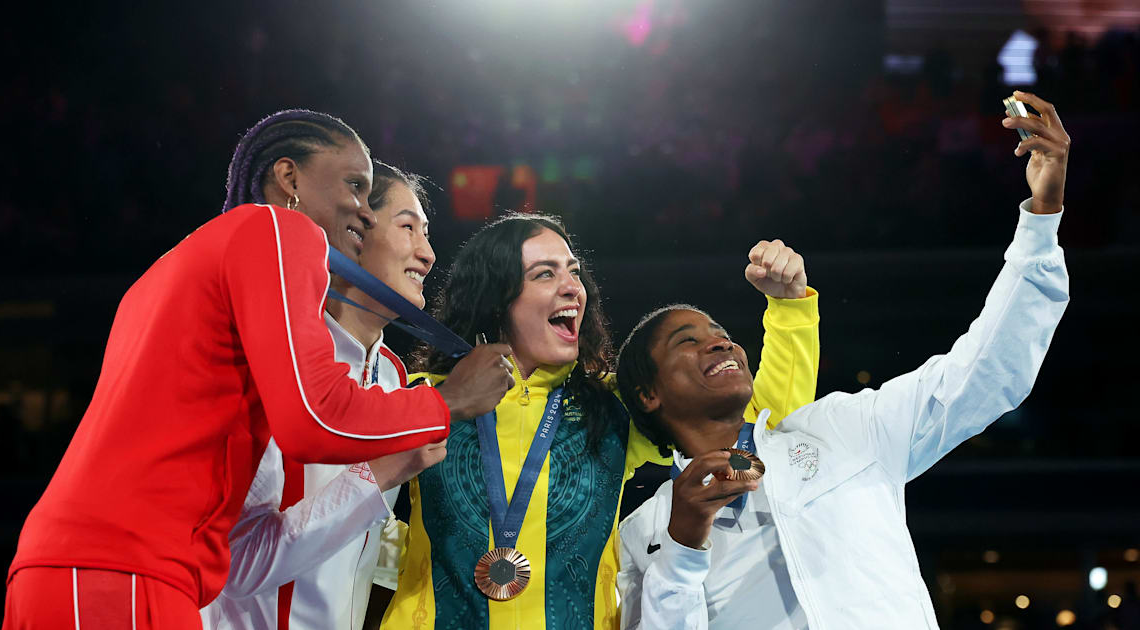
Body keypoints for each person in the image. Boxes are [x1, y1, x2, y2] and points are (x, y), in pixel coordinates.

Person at [3, 111, 513, 630]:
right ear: (289, 179)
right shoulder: (278, 229)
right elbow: (314, 417)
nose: (362, 211)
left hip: (92, 567)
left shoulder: (182, 266)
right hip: (128, 569)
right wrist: (445, 402)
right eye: (353, 185)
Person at [613, 91, 1071, 629]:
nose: (719, 342)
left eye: (719, 332)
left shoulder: (840, 429)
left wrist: (1041, 221)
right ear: (648, 393)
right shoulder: (643, 532)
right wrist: (683, 547)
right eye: (685, 342)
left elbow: (983, 374)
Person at [381, 214, 821, 629]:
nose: (573, 288)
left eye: (574, 272)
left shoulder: (612, 410)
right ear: (495, 298)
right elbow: (344, 499)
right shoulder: (424, 397)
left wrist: (789, 312)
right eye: (545, 274)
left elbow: (756, 422)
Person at [200, 161, 445, 630]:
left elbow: (360, 545)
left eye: (427, 232)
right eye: (408, 227)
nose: (428, 253)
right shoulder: (276, 359)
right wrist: (382, 473)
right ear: (353, 232)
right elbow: (236, 566)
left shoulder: (395, 376)